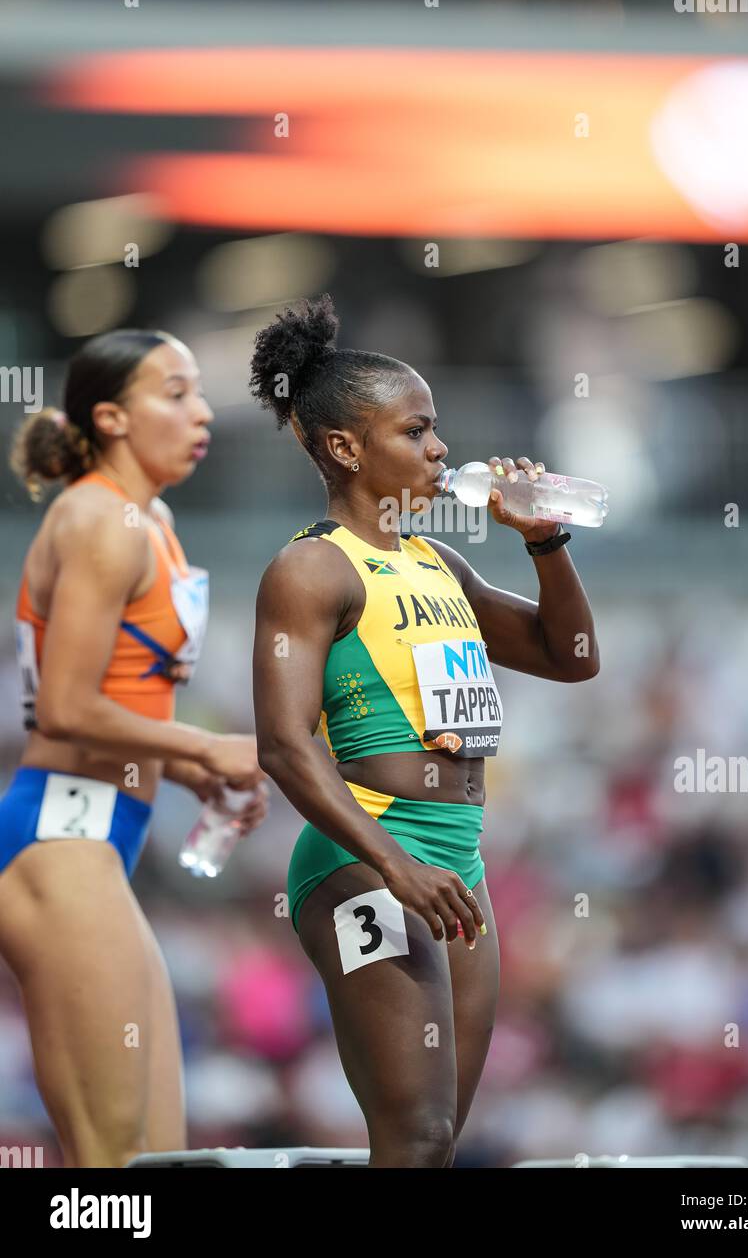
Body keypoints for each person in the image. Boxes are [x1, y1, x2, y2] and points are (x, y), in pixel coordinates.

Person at [250, 293, 599, 1168]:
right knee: (414, 1134)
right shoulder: (312, 568)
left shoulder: (442, 562)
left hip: (457, 861)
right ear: (344, 447)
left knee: (438, 1144)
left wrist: (546, 540)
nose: (442, 450)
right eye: (416, 431)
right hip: (369, 855)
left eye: (435, 429)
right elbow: (284, 746)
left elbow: (574, 654)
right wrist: (395, 864)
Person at [0, 329, 269, 1168]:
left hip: (103, 836)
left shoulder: (151, 519)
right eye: (177, 393)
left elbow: (116, 697)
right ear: (112, 417)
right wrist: (207, 745)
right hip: (58, 840)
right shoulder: (99, 521)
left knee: (158, 1159)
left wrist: (191, 771)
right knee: (112, 1162)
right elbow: (68, 707)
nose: (203, 413)